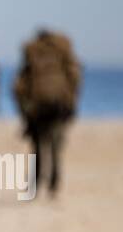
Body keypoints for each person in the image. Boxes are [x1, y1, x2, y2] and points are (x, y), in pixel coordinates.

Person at [13, 29, 82, 198]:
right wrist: (70, 105)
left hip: (37, 108)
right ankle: (53, 185)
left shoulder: (33, 52)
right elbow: (75, 80)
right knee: (55, 147)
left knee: (37, 148)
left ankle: (34, 186)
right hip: (59, 106)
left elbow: (20, 85)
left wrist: (24, 110)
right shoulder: (63, 53)